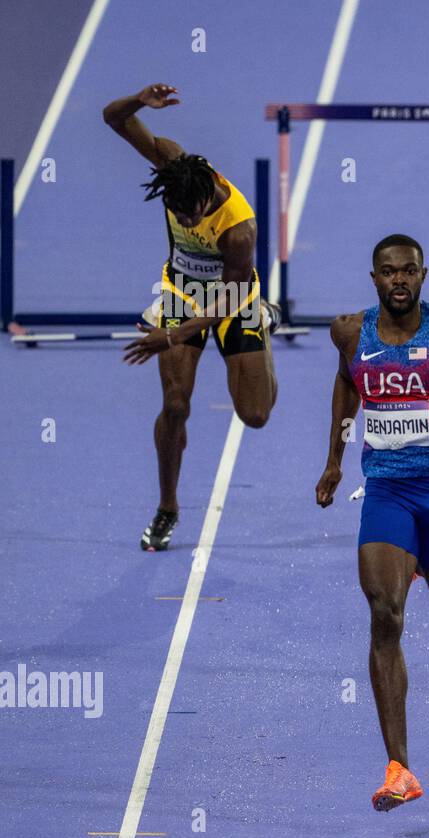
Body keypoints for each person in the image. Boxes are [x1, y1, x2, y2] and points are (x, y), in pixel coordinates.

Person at [315, 234, 429, 811]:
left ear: (423, 276)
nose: (399, 280)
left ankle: (422, 563)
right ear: (373, 278)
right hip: (387, 494)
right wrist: (334, 463)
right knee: (383, 614)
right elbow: (347, 385)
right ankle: (399, 767)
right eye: (388, 272)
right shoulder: (350, 331)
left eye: (409, 272)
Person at [104, 83, 280, 551]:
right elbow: (113, 118)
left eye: (192, 215)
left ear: (209, 199)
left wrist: (172, 335)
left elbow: (228, 297)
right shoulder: (173, 165)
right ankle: (167, 507)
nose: (184, 222)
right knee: (176, 405)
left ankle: (263, 323)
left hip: (235, 298)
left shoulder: (238, 229)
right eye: (176, 213)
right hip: (181, 292)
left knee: (256, 415)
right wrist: (140, 101)